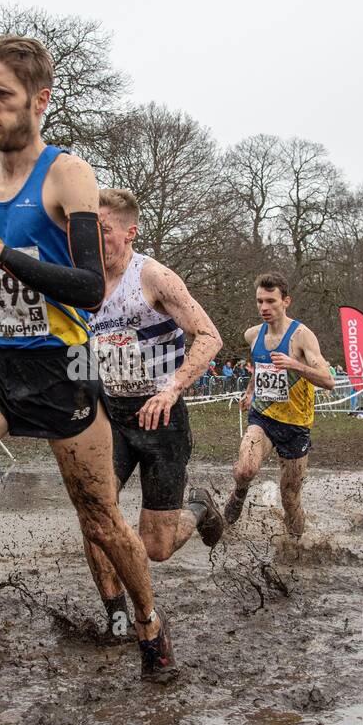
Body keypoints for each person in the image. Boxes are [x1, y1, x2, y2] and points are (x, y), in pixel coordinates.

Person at [0, 35, 177, 719]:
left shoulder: (68, 175)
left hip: (62, 370)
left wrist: (0, 249)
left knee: (103, 522)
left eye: (2, 96)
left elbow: (85, 289)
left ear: (39, 101)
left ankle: (149, 623)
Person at [53, 187, 226, 631]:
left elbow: (209, 337)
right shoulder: (81, 282)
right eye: (87, 230)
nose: (92, 241)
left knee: (157, 547)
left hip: (161, 420)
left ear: (129, 233)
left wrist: (170, 389)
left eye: (103, 231)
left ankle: (200, 507)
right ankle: (116, 619)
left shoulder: (154, 277)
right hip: (110, 419)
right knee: (95, 513)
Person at [222, 273, 336, 535]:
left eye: (271, 301)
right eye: (260, 301)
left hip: (296, 425)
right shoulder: (252, 335)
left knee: (290, 498)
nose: (264, 308)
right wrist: (250, 391)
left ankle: (295, 547)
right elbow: (260, 368)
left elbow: (329, 381)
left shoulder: (302, 336)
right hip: (263, 417)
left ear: (286, 301)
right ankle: (238, 496)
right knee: (245, 469)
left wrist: (295, 364)